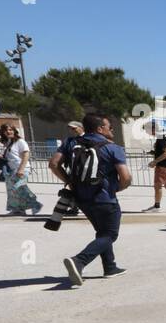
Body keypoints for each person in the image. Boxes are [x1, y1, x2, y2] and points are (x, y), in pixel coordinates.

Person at [51, 113, 131, 285]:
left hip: (81, 198)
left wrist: (69, 182)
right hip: (105, 198)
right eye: (110, 127)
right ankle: (79, 260)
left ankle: (110, 267)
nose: (112, 130)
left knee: (102, 232)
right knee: (110, 234)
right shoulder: (112, 148)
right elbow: (126, 177)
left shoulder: (71, 143)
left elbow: (54, 164)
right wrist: (116, 188)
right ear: (100, 129)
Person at [0, 123, 43, 216]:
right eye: (6, 130)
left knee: (20, 188)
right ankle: (18, 209)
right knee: (12, 191)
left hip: (22, 168)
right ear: (3, 132)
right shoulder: (8, 142)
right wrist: (1, 156)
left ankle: (36, 204)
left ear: (14, 131)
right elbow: (11, 155)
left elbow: (26, 155)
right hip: (11, 169)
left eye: (10, 129)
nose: (8, 132)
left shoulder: (20, 141)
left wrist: (21, 169)